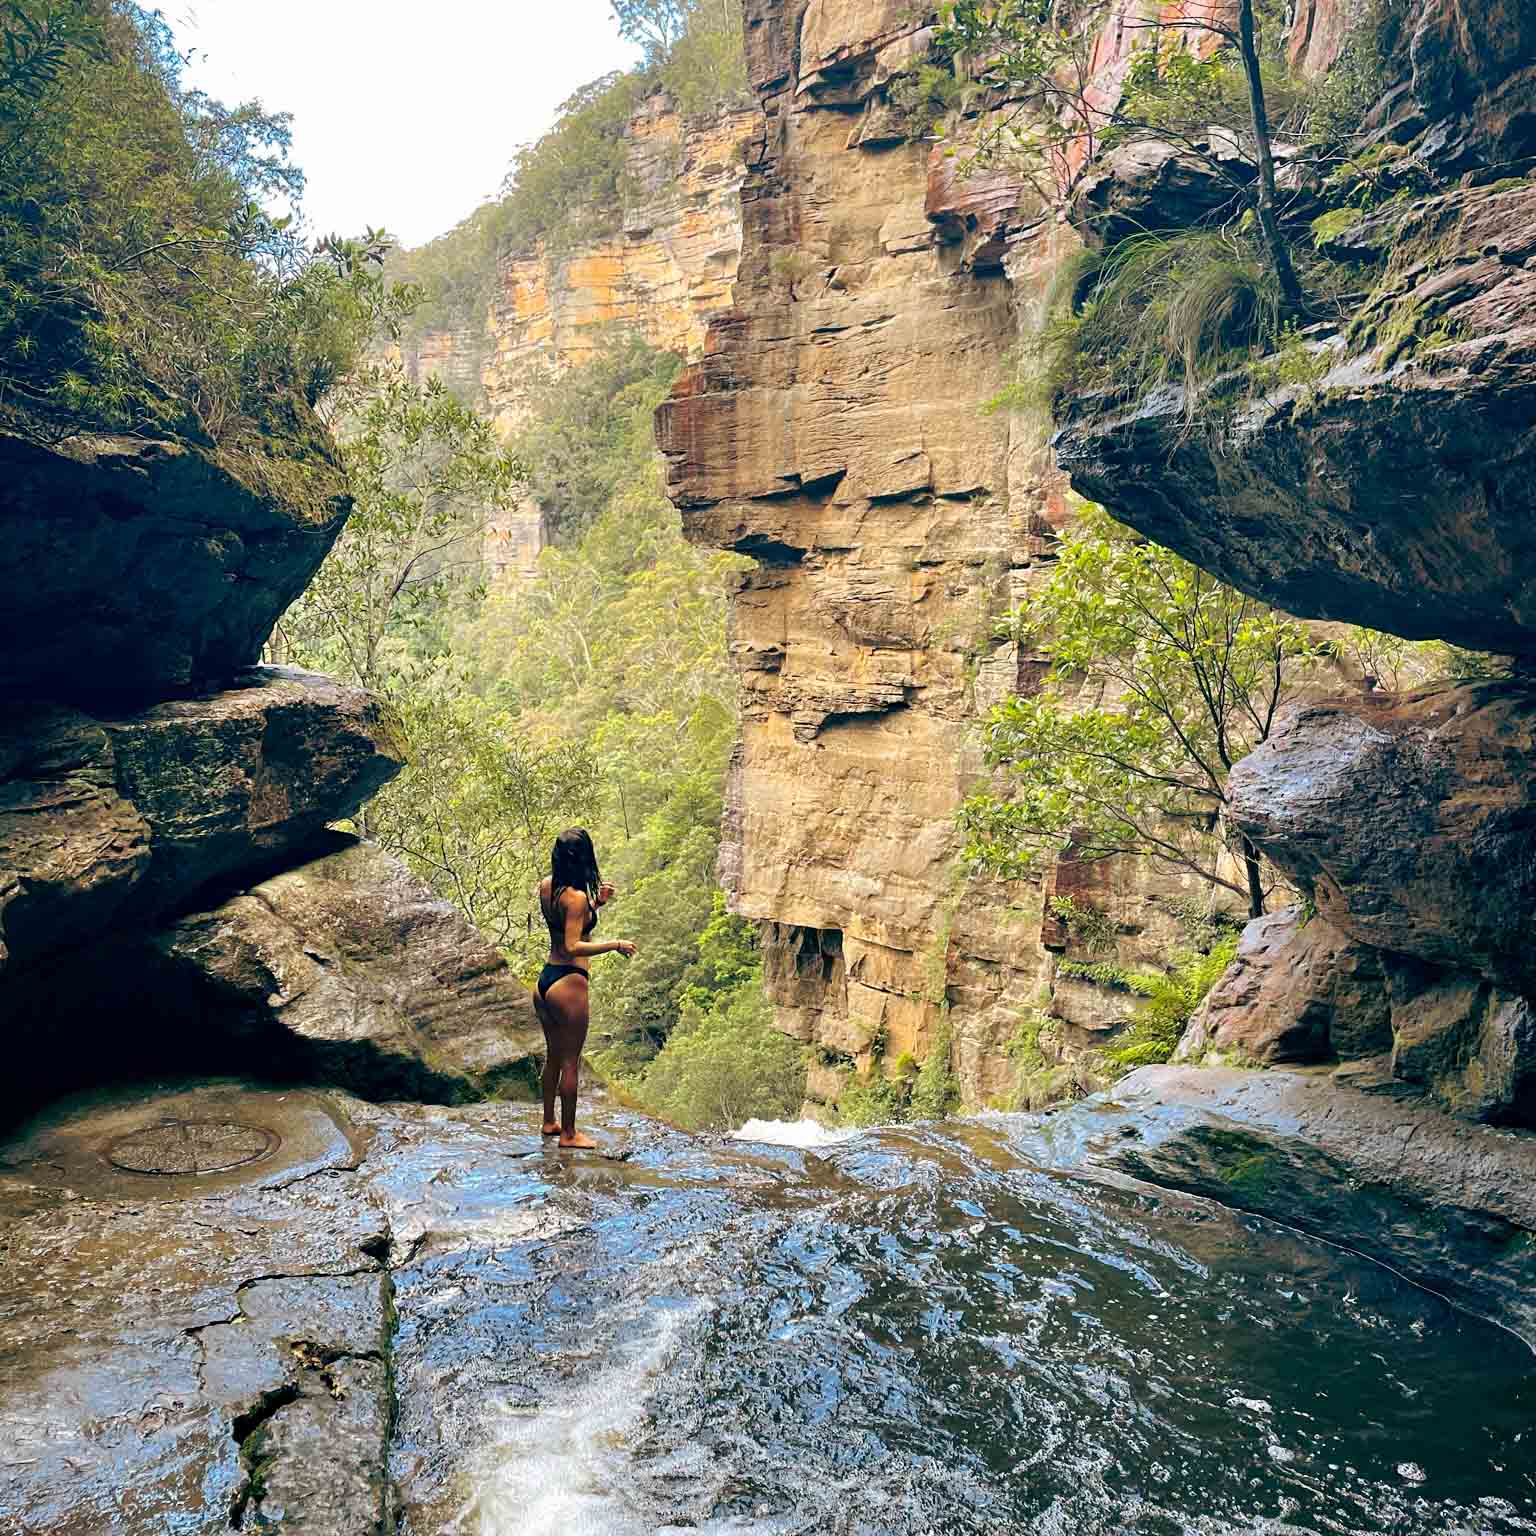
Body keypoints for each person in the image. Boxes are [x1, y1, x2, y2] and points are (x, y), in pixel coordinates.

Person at [534, 827, 636, 1148]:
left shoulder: (547, 886)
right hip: (569, 982)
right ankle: (568, 1134)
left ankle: (549, 1122)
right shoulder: (576, 898)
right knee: (570, 1061)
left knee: (553, 1055)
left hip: (545, 980)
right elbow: (573, 944)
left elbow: (568, 919)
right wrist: (615, 944)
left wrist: (597, 904)